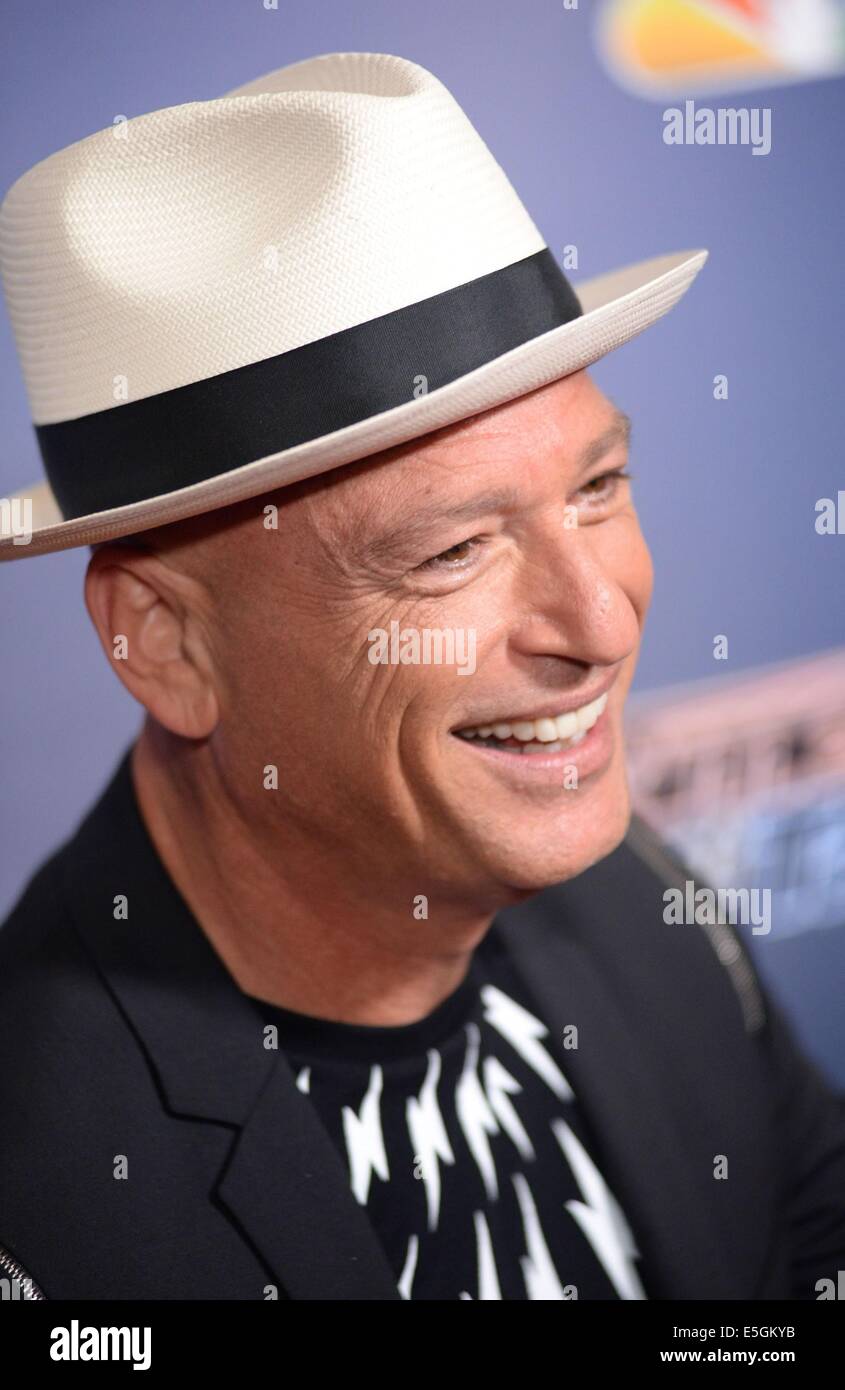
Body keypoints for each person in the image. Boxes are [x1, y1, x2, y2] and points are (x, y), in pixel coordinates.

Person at [1, 51, 843, 1302]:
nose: (602, 622)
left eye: (596, 489)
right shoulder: (49, 1198)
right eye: (451, 552)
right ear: (166, 642)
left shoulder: (642, 903)